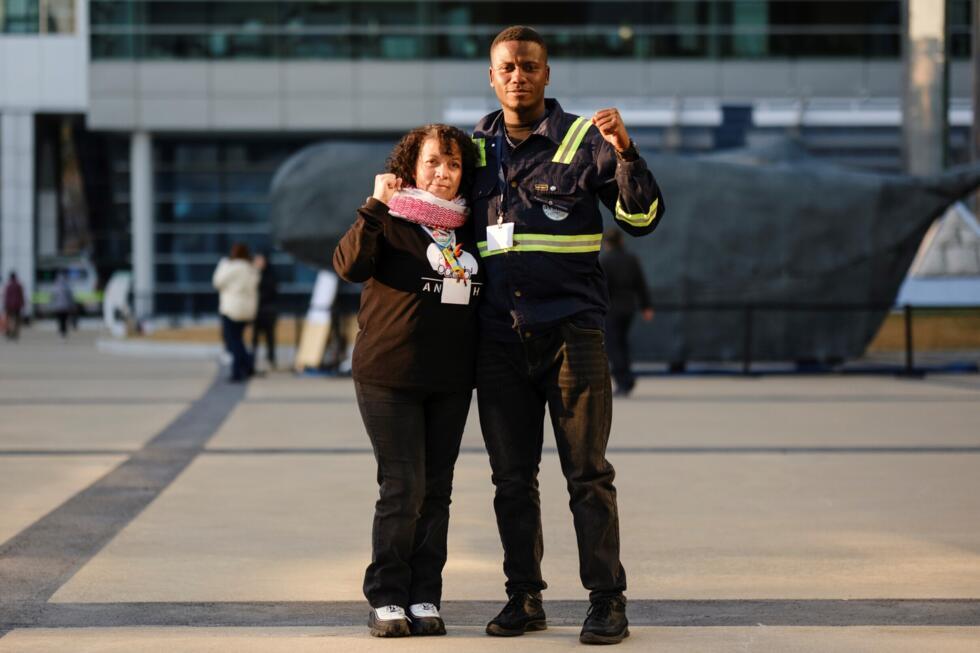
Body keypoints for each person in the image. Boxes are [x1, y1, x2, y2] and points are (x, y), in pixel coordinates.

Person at [470, 26, 665, 645]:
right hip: (498, 340)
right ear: (493, 76)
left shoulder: (587, 140)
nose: (518, 75)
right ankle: (523, 598)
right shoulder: (474, 149)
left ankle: (607, 601)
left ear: (547, 74)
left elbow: (642, 220)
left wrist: (627, 151)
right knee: (511, 480)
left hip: (571, 337)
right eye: (508, 67)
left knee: (587, 475)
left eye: (530, 65)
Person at [333, 124, 481, 639]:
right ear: (410, 168)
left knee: (437, 491)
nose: (444, 173)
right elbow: (349, 265)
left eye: (454, 164)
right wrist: (374, 205)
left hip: (451, 380)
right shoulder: (389, 221)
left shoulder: (471, 227)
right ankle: (387, 596)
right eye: (434, 162)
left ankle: (424, 595)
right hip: (388, 376)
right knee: (403, 488)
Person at [600, 229, 654, 397]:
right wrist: (646, 307)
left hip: (611, 310)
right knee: (622, 343)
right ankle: (627, 378)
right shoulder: (631, 260)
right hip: (629, 308)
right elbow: (641, 284)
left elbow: (602, 288)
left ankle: (623, 381)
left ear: (606, 243)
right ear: (621, 241)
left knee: (614, 346)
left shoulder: (604, 261)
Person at [212, 243, 259, 382]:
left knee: (232, 340)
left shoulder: (232, 267)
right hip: (246, 310)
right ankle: (247, 365)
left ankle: (238, 370)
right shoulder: (251, 268)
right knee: (238, 339)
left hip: (232, 309)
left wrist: (223, 264)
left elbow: (217, 281)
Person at [251, 250, 279, 370]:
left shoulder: (270, 274)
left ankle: (271, 358)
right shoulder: (253, 273)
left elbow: (272, 291)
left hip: (268, 310)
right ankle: (252, 359)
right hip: (256, 311)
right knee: (255, 337)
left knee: (270, 337)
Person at [51, 271, 75, 339]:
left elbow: (53, 297)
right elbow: (70, 297)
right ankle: (64, 332)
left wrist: (52, 305)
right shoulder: (67, 286)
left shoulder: (55, 287)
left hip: (58, 307)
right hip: (66, 307)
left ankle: (61, 331)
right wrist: (72, 305)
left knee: (60, 320)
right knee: (64, 320)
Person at [3, 271, 25, 340]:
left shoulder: (8, 286)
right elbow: (21, 296)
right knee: (17, 320)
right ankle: (15, 333)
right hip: (17, 305)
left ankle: (9, 332)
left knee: (9, 320)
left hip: (9, 305)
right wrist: (23, 304)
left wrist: (5, 305)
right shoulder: (19, 285)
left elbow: (6, 296)